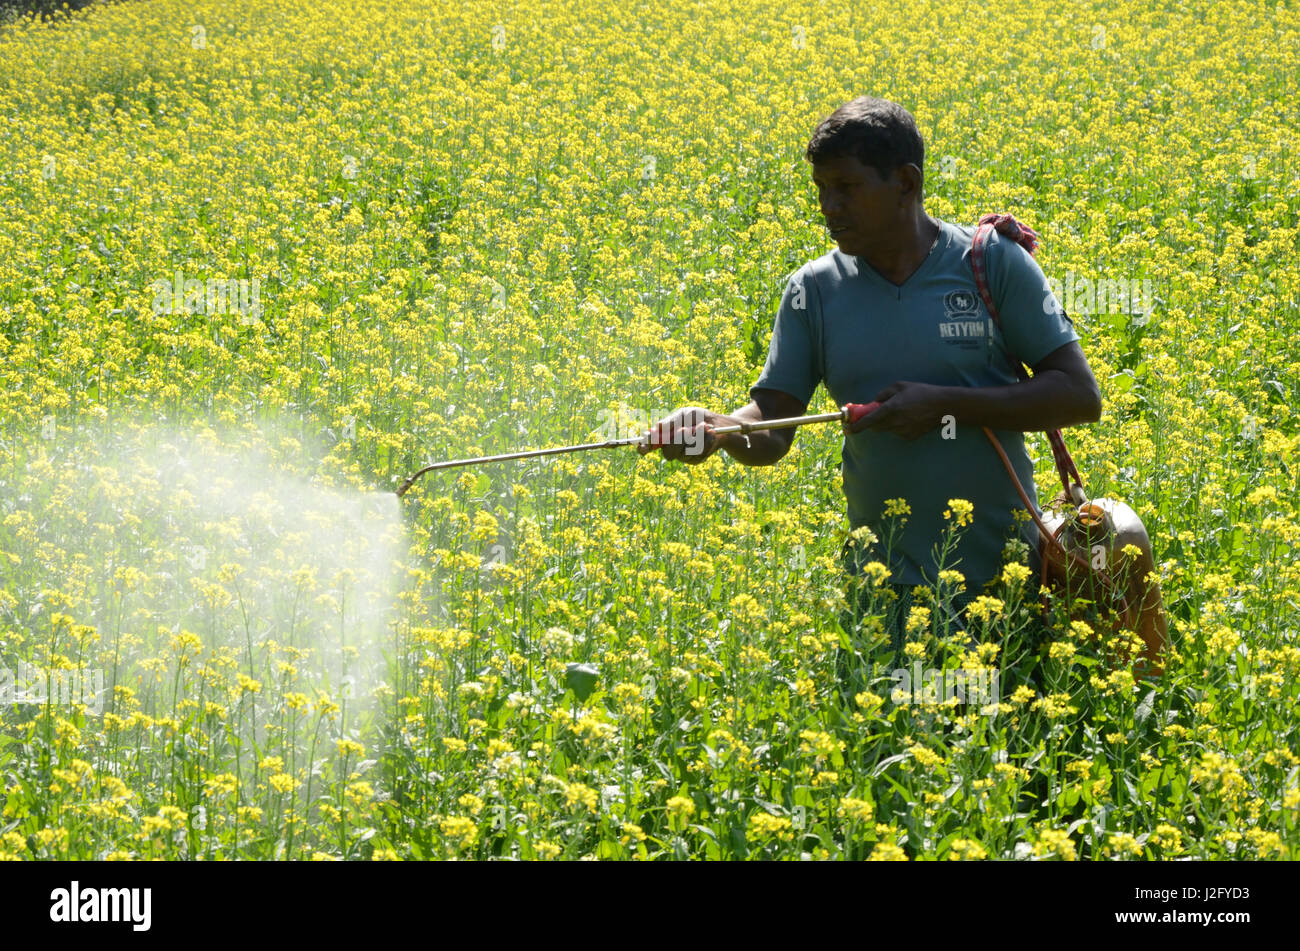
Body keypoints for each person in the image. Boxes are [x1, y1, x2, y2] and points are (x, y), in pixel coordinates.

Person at [638, 96, 1101, 689]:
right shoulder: (813, 290)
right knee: (892, 756)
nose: (829, 208)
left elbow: (1079, 394)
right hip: (883, 587)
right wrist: (721, 428)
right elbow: (774, 426)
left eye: (847, 188)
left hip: (1004, 578)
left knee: (999, 754)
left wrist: (945, 405)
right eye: (821, 189)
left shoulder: (992, 263)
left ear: (906, 184)